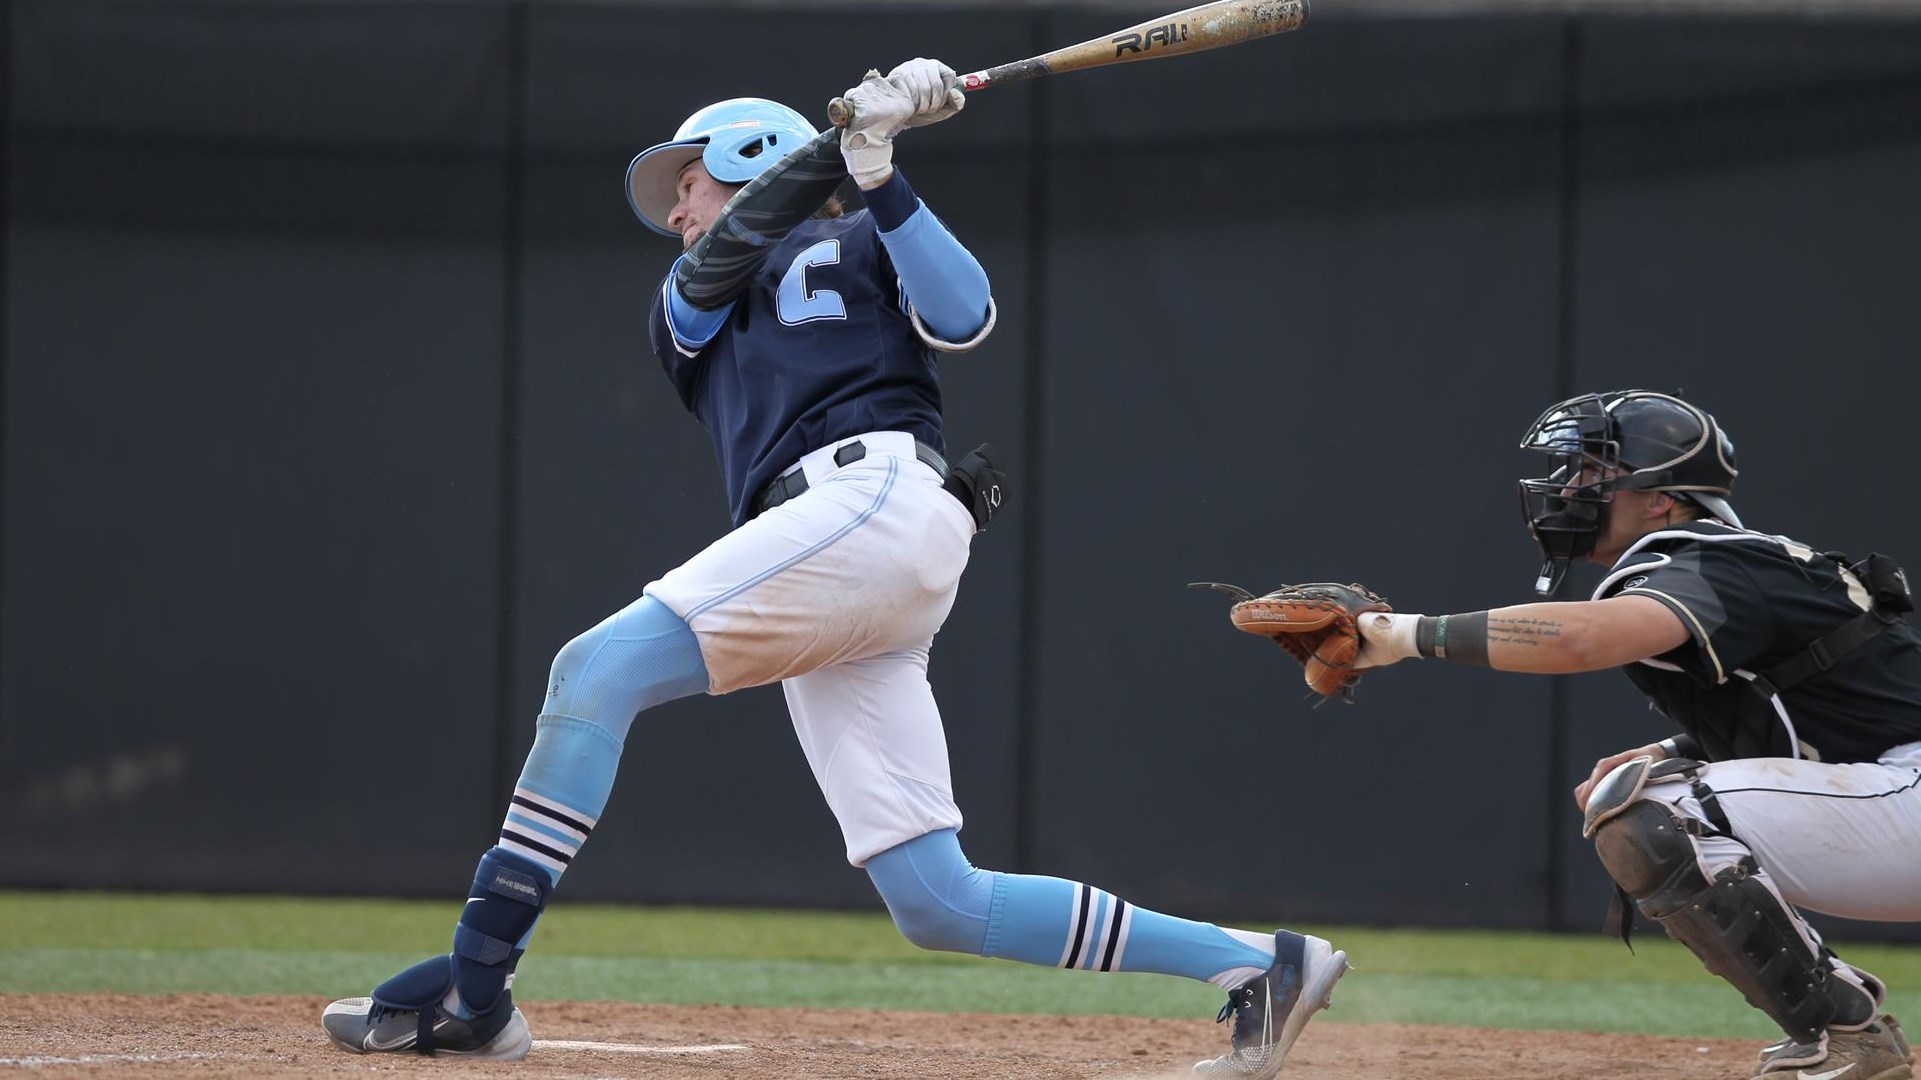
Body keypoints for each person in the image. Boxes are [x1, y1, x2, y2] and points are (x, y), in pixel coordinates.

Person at [318, 59, 1345, 1079]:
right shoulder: (690, 298)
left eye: (689, 180)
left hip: (873, 502)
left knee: (592, 674)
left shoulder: (865, 233)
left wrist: (882, 170)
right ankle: (1258, 966)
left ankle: (475, 988)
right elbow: (728, 248)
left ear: (747, 154)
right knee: (934, 900)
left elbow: (966, 314)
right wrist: (848, 141)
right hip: (843, 546)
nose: (676, 210)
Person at [1347, 389, 1921, 1080]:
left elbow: (1584, 640)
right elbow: (1838, 710)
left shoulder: (1714, 560)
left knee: (1654, 812)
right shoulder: (1719, 559)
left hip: (1908, 789)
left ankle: (1845, 1028)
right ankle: (1841, 1029)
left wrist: (1395, 635)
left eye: (1590, 472)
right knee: (1649, 790)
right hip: (1896, 789)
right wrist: (1672, 748)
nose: (1566, 488)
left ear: (1659, 497)